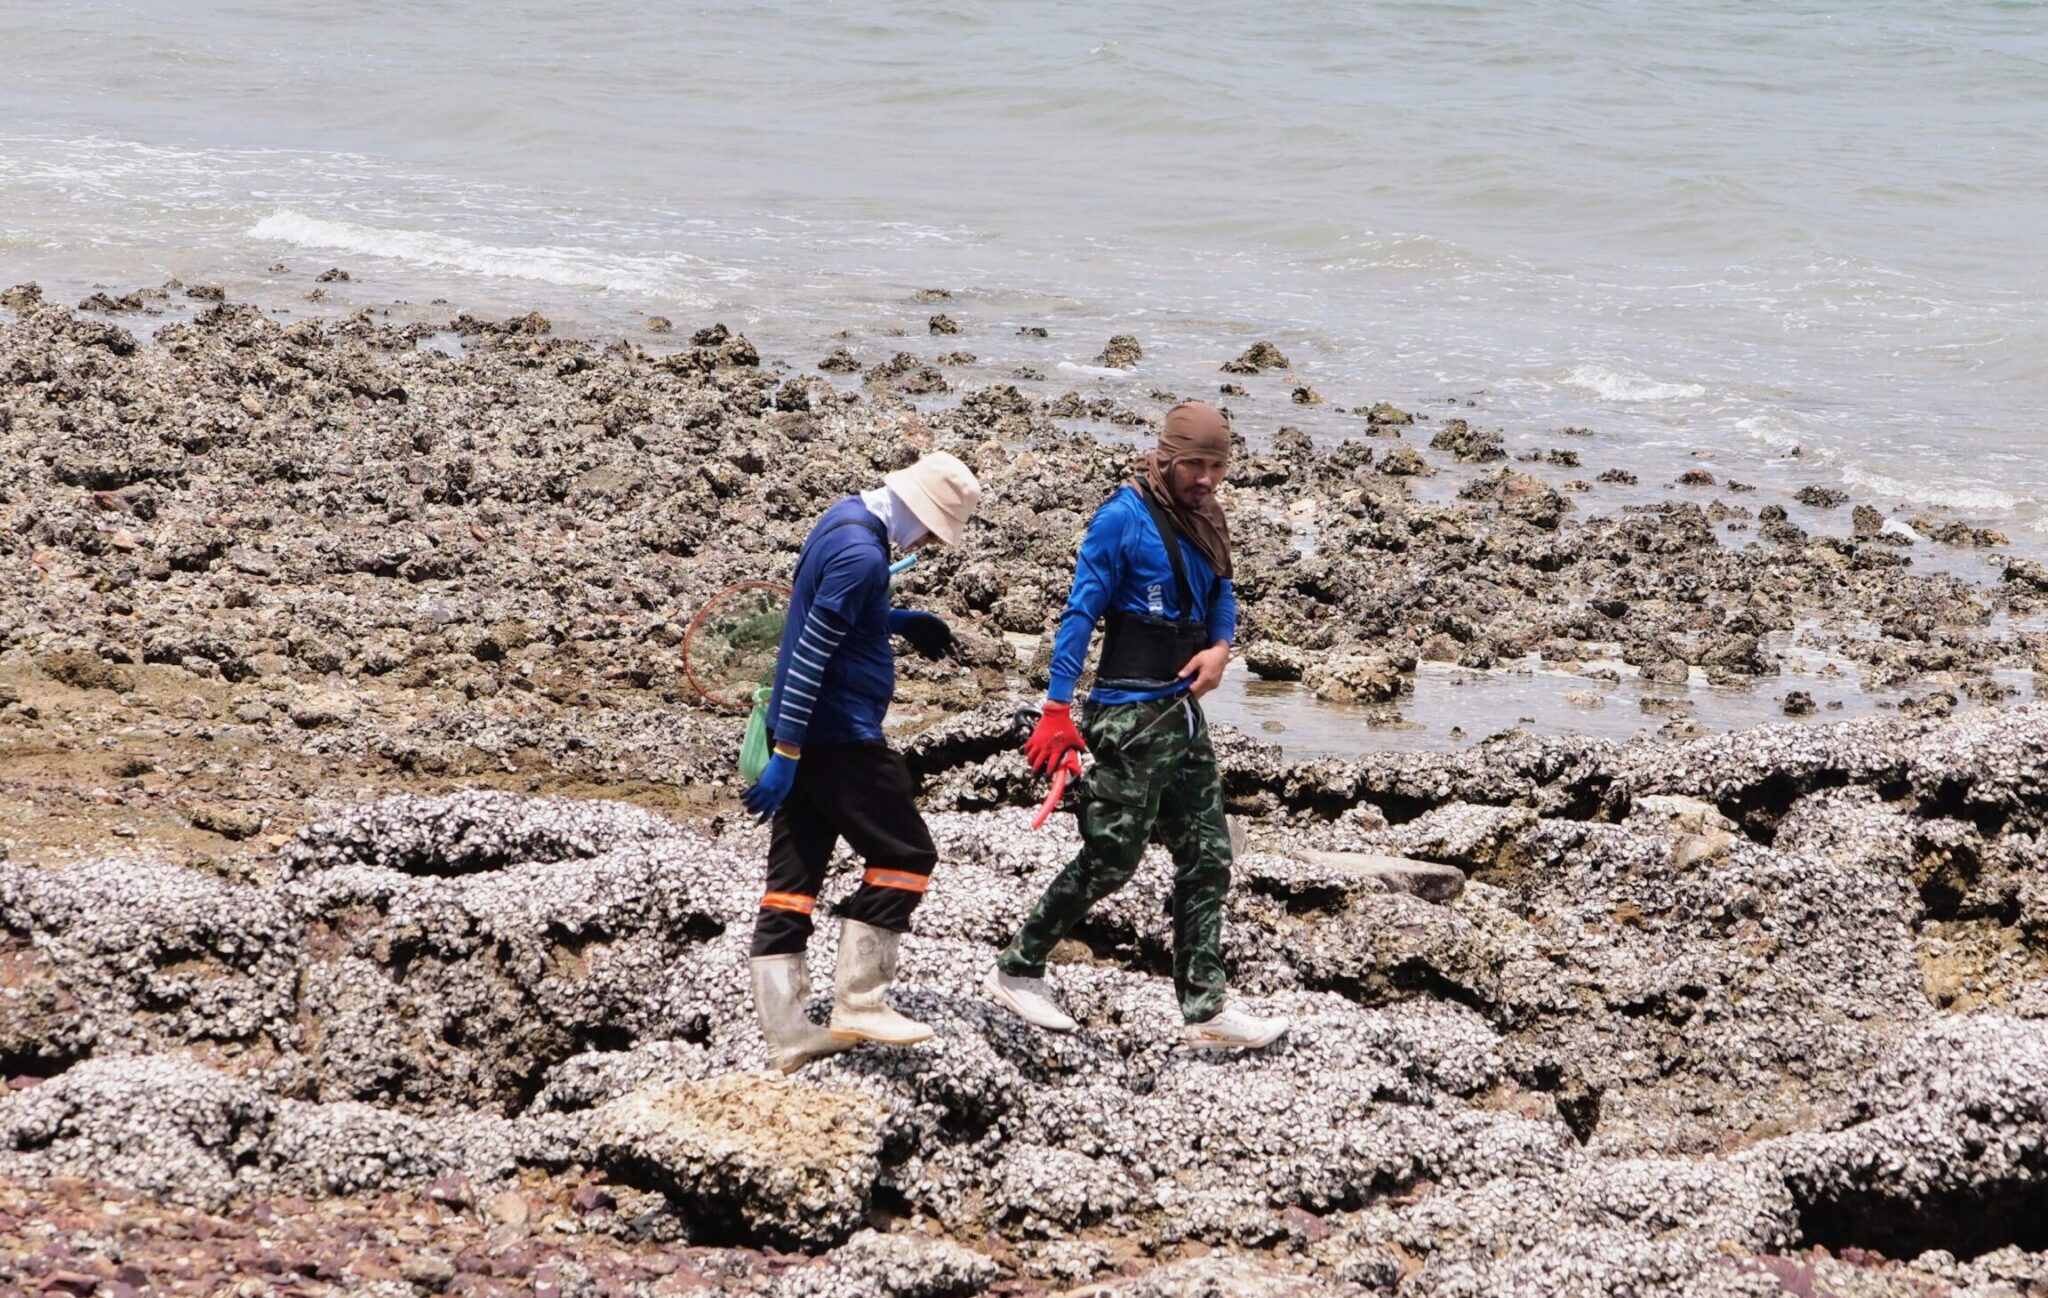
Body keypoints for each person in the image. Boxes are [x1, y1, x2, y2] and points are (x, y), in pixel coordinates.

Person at [986, 402, 1288, 1050]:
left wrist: (1222, 646)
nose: (1207, 478)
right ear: (1167, 456)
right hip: (1125, 716)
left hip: (1181, 714)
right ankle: (1018, 967)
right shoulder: (1121, 518)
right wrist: (1058, 708)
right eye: (1196, 465)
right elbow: (1079, 614)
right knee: (1113, 857)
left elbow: (1222, 591)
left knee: (1209, 857)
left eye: (1218, 466)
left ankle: (1205, 1008)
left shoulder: (1209, 514)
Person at [744, 450, 982, 1073]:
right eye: (933, 529)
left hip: (809, 734)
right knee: (906, 856)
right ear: (921, 512)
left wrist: (895, 620)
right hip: (839, 735)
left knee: (794, 883)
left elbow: (824, 610)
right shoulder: (863, 554)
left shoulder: (844, 518)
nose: (929, 542)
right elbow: (808, 656)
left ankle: (788, 1032)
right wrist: (789, 752)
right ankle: (860, 999)